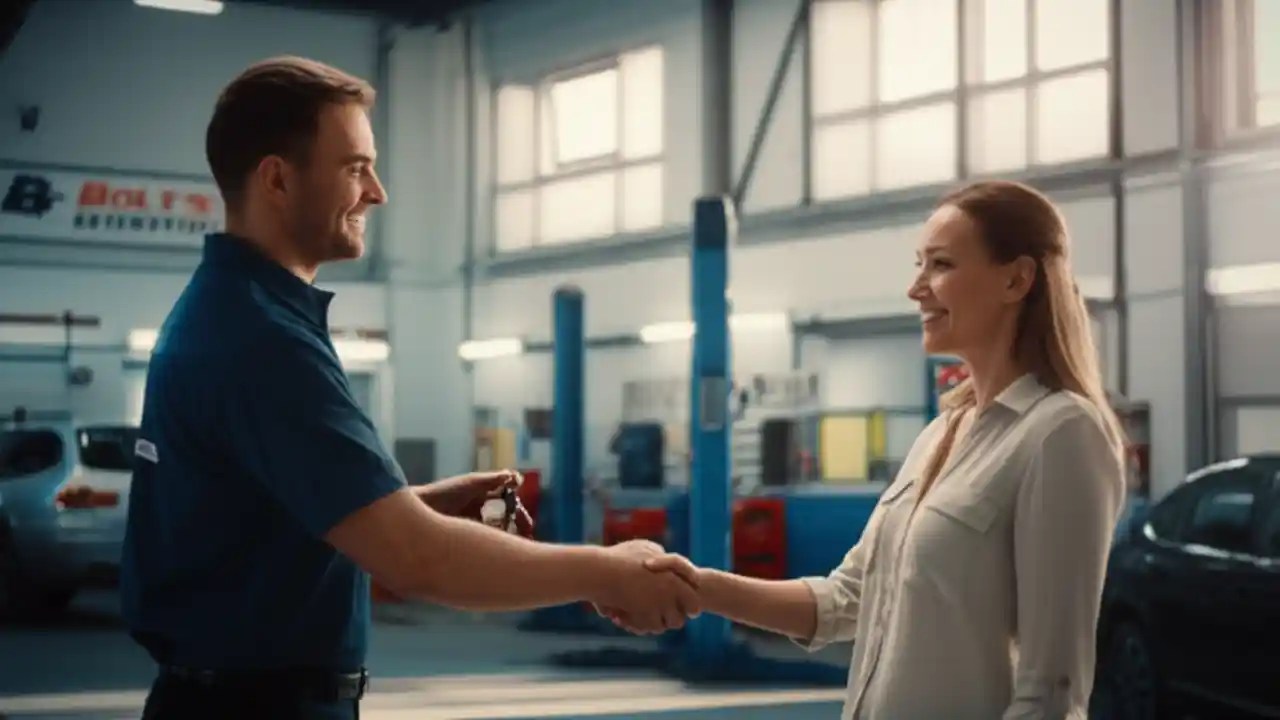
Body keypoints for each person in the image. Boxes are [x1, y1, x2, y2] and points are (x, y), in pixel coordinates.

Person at [120, 56, 698, 720]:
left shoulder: (230, 312)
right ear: (277, 179)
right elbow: (418, 560)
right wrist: (606, 571)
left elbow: (272, 522)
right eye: (355, 167)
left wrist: (408, 505)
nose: (378, 192)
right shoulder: (262, 340)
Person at [622, 181, 1127, 720]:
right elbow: (846, 600)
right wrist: (698, 587)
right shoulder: (943, 434)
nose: (917, 289)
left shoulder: (1061, 434)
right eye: (920, 265)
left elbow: (1050, 693)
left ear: (1016, 279)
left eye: (941, 265)